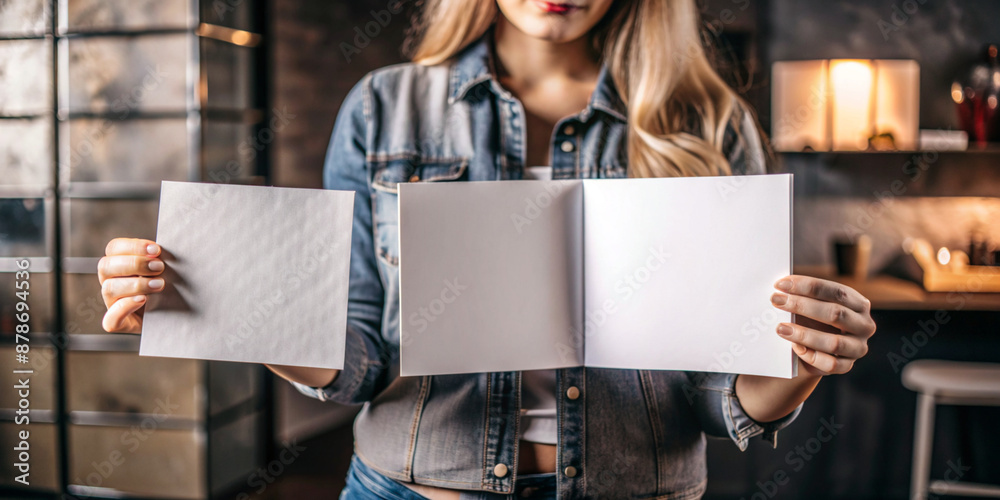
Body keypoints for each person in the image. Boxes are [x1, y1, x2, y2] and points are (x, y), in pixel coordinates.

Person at [98, 0, 878, 498]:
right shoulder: (383, 107)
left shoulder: (709, 122)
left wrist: (801, 367)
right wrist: (234, 309)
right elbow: (364, 361)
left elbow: (717, 398)